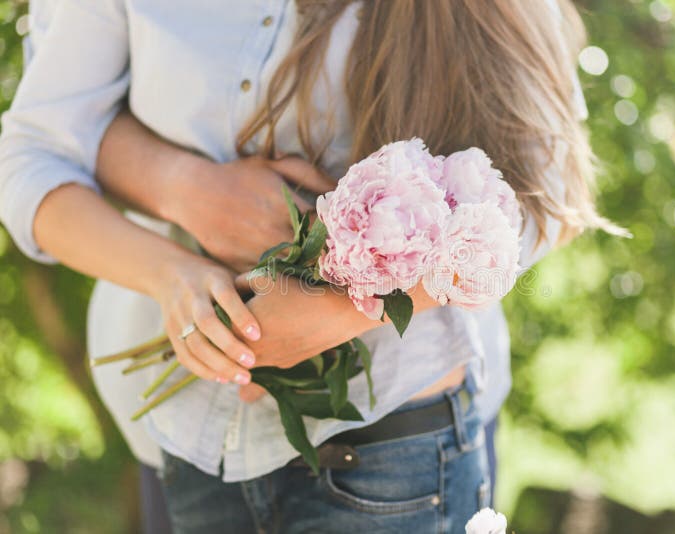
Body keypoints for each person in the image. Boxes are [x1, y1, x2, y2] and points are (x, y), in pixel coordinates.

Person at [0, 1, 621, 532]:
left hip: (395, 441)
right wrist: (178, 243)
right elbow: (39, 147)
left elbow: (544, 194)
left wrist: (344, 307)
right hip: (184, 441)